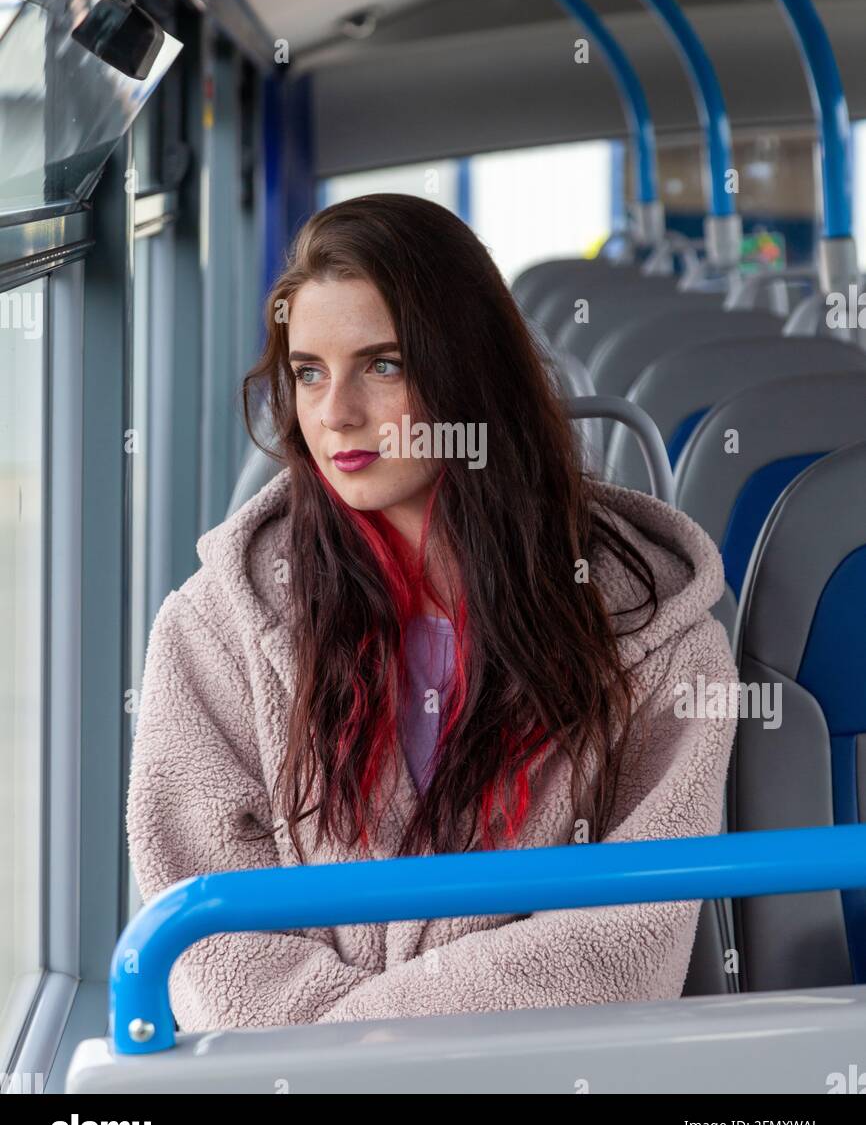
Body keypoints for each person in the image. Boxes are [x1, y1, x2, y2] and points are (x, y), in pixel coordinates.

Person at [126, 192, 738, 1032]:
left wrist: (372, 1051)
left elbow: (626, 945)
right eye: (308, 372)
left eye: (383, 365)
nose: (335, 413)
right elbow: (205, 931)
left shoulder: (656, 638)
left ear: (469, 370)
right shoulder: (216, 629)